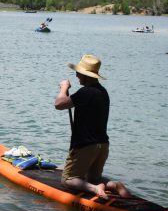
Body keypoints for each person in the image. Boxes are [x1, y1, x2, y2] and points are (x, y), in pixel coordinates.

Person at [54, 54, 130, 199]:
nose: (76, 75)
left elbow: (59, 104)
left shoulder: (86, 92)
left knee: (67, 179)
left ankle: (94, 189)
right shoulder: (103, 92)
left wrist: (64, 87)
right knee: (93, 178)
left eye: (79, 72)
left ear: (86, 75)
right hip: (102, 145)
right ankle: (114, 185)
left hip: (86, 146)